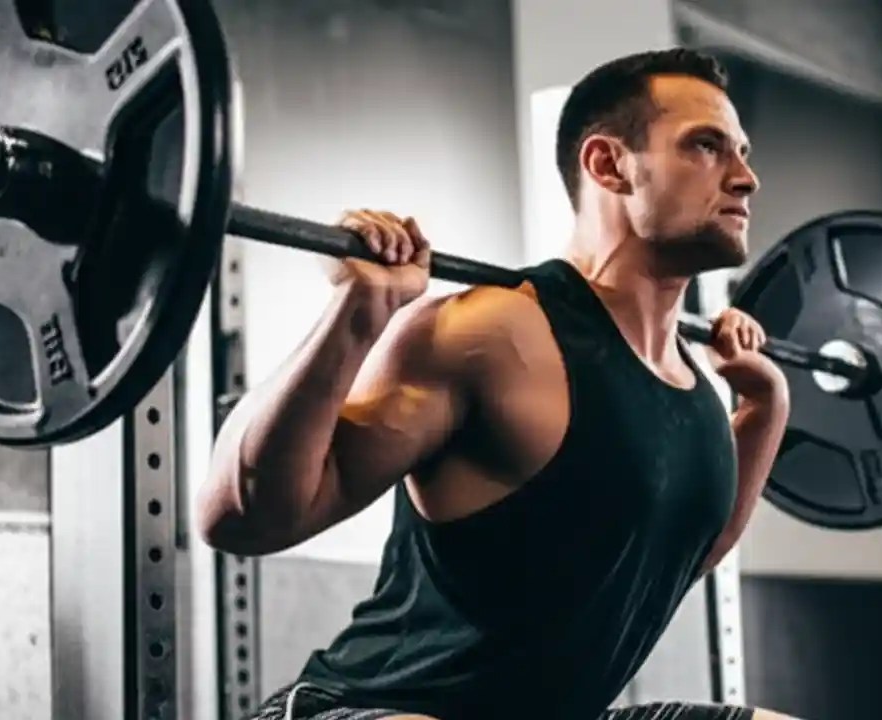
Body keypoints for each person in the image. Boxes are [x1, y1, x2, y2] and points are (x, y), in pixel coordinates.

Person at [197, 48, 795, 720]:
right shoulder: (494, 332)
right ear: (608, 165)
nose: (746, 178)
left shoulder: (692, 387)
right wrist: (353, 320)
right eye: (706, 146)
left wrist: (766, 403)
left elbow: (688, 551)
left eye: (742, 152)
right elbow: (240, 518)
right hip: (374, 709)